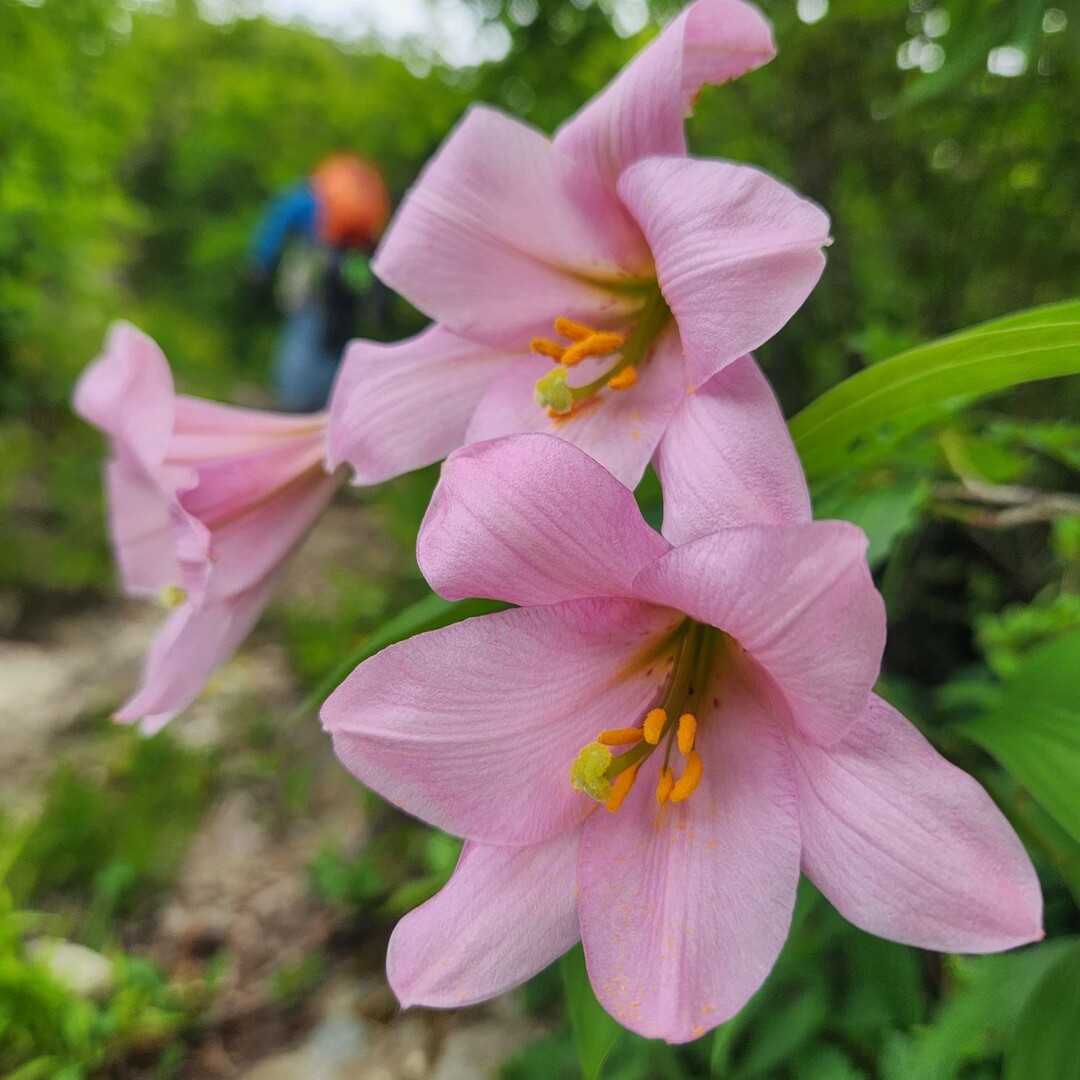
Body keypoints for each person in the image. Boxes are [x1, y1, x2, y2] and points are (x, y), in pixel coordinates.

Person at [251, 154, 390, 411]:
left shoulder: (312, 195)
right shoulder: (366, 202)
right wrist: (378, 298)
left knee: (304, 329)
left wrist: (260, 263)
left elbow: (278, 219)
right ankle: (322, 407)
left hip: (315, 275)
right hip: (348, 281)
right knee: (337, 339)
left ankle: (292, 402)